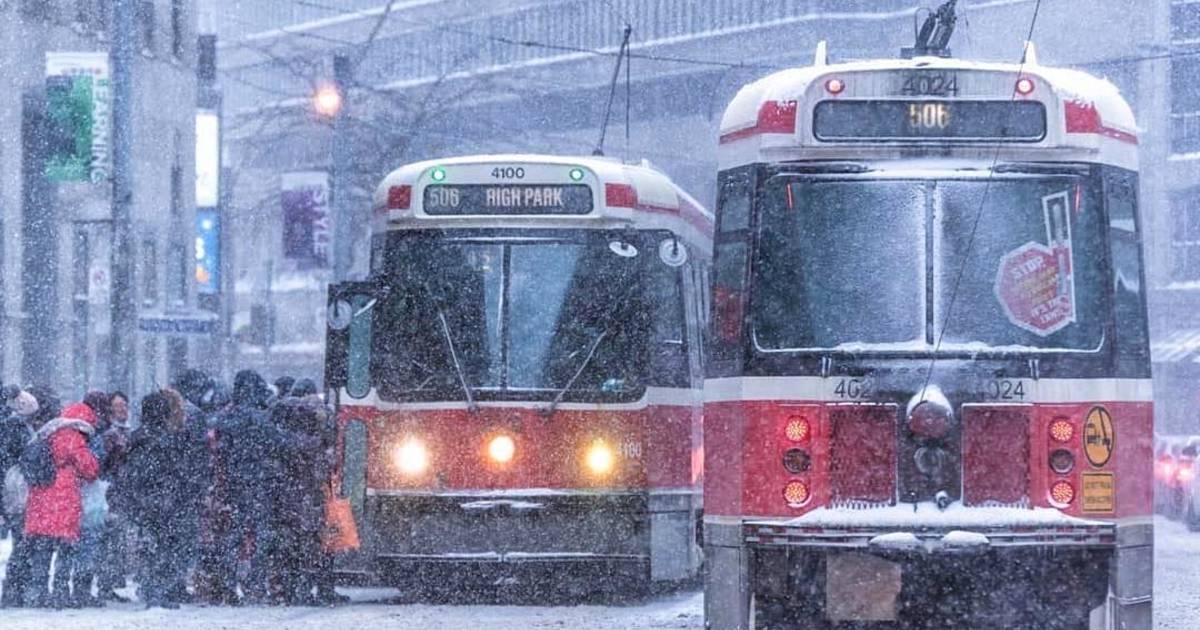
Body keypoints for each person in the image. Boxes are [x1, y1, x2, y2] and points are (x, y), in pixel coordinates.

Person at [115, 390, 205, 609]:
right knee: (164, 548)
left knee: (151, 547)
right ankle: (158, 592)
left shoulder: (137, 437)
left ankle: (152, 589)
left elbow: (129, 471)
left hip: (142, 501)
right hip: (164, 501)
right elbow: (176, 471)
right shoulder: (167, 438)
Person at [212, 370, 289, 604]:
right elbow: (281, 445)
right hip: (259, 484)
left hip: (232, 484)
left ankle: (226, 586)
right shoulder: (261, 419)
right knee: (261, 536)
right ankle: (255, 586)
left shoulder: (224, 418)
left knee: (232, 536)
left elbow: (218, 449)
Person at [23, 402, 101, 609]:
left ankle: (39, 593)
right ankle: (60, 593)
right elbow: (90, 469)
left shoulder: (46, 433)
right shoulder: (73, 437)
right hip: (64, 499)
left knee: (42, 550)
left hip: (40, 498)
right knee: (66, 550)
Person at [0, 387, 42, 608]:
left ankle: (15, 589)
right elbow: (21, 458)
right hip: (16, 492)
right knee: (23, 542)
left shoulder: (11, 427)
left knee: (22, 542)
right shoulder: (16, 428)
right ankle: (14, 589)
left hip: (12, 493)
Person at [96, 391, 134, 602]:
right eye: (118, 405)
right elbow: (105, 465)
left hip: (123, 492)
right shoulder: (109, 434)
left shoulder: (126, 431)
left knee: (117, 540)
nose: (122, 409)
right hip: (111, 492)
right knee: (109, 539)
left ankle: (110, 583)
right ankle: (105, 584)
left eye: (124, 405)